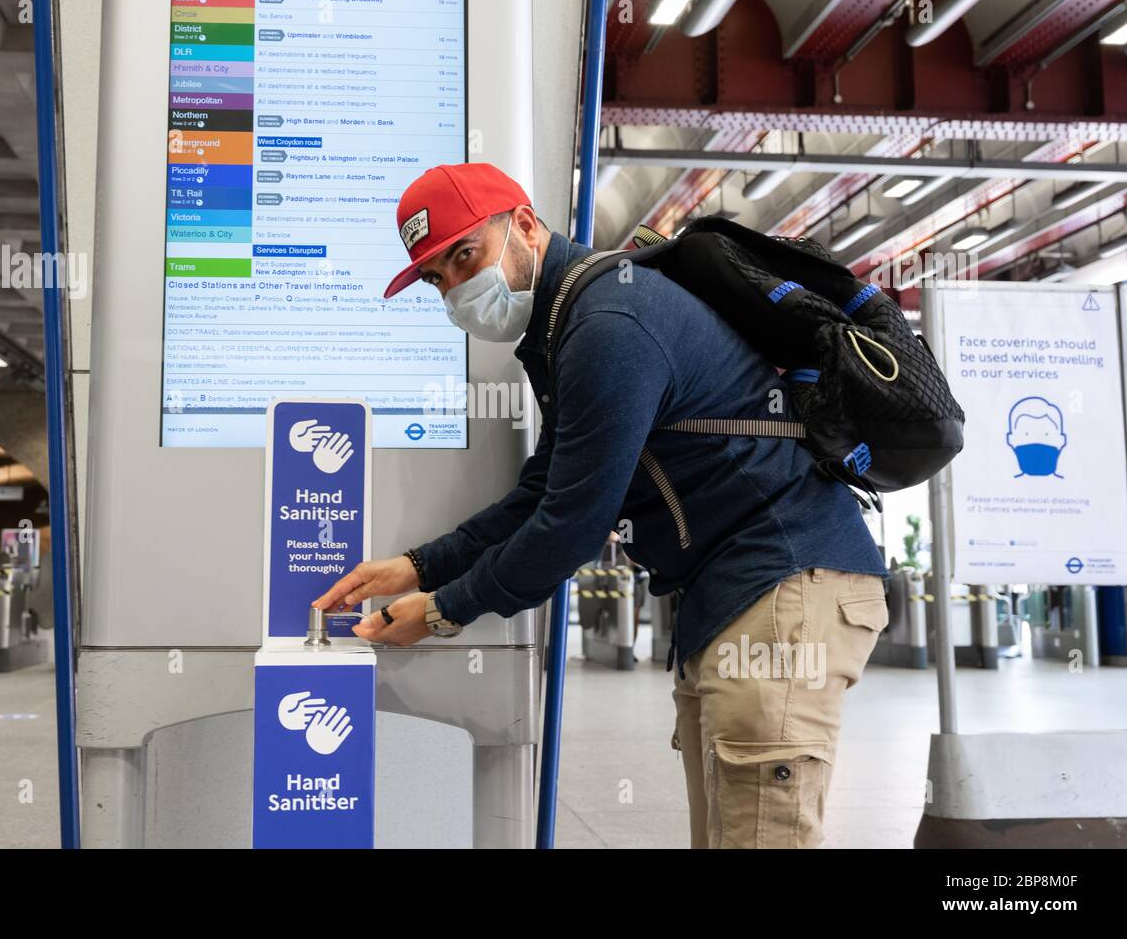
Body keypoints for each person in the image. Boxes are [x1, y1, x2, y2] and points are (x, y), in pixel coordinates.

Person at [313, 162, 889, 848]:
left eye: (464, 256)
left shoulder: (610, 323)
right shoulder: (567, 326)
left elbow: (573, 525)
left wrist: (442, 610)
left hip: (784, 584)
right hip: (733, 599)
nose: (458, 288)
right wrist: (416, 566)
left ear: (525, 225)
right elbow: (543, 491)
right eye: (438, 279)